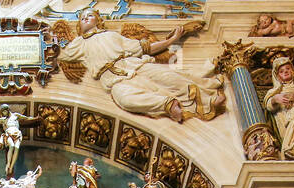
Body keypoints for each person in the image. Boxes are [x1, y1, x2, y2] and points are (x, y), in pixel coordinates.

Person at [58, 8, 224, 122]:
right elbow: (58, 53)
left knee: (171, 78)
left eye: (90, 15)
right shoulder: (78, 44)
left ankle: (208, 99)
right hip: (113, 80)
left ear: (98, 20)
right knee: (125, 100)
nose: (85, 18)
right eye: (82, 18)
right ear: (79, 25)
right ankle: (167, 104)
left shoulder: (112, 35)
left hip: (133, 65)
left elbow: (144, 48)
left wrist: (172, 40)